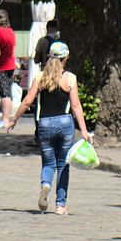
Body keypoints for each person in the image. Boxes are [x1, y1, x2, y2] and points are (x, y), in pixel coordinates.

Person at [12, 41, 90, 214]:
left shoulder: (40, 77)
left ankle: (46, 184)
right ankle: (60, 205)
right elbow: (76, 106)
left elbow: (27, 101)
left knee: (48, 163)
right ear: (66, 58)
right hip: (65, 123)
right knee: (63, 164)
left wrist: (15, 119)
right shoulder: (70, 78)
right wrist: (84, 130)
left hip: (45, 123)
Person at [0, 8, 21, 131]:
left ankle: (5, 119)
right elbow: (13, 50)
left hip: (0, 66)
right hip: (10, 66)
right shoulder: (11, 31)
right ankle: (6, 118)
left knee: (4, 93)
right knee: (7, 91)